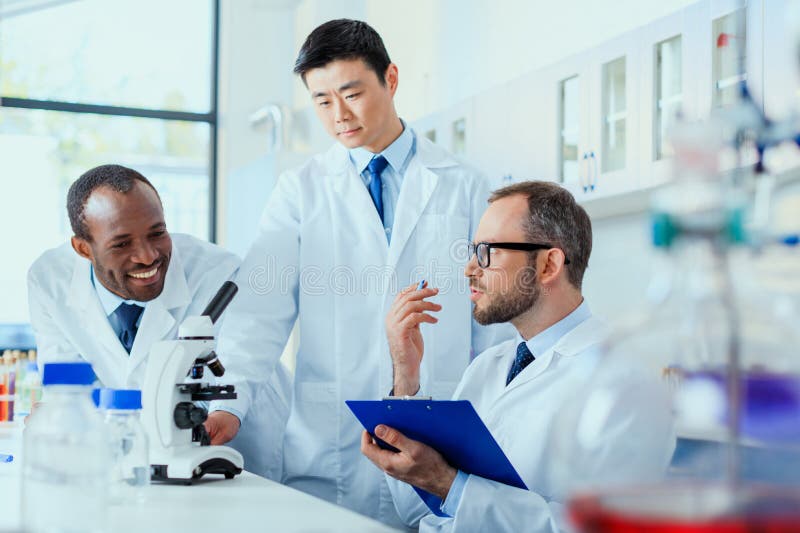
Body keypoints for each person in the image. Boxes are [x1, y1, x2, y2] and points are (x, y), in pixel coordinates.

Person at [205, 19, 509, 526]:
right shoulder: (299, 192)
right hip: (331, 448)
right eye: (322, 101)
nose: (339, 115)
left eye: (351, 93)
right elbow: (260, 312)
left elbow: (494, 319)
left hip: (439, 437)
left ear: (390, 79)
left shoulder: (463, 185)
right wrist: (230, 402)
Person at [362, 181, 676, 532]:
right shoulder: (487, 367)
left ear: (547, 265)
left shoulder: (623, 383)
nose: (469, 268)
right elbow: (414, 510)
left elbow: (600, 527)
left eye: (487, 252)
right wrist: (406, 376)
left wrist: (451, 485)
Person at [27, 164, 289, 480]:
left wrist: (226, 410)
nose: (148, 256)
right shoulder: (49, 280)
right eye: (122, 244)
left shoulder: (218, 272)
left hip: (235, 451)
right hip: (128, 459)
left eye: (157, 233)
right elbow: (67, 376)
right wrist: (65, 412)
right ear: (83, 248)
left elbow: (244, 354)